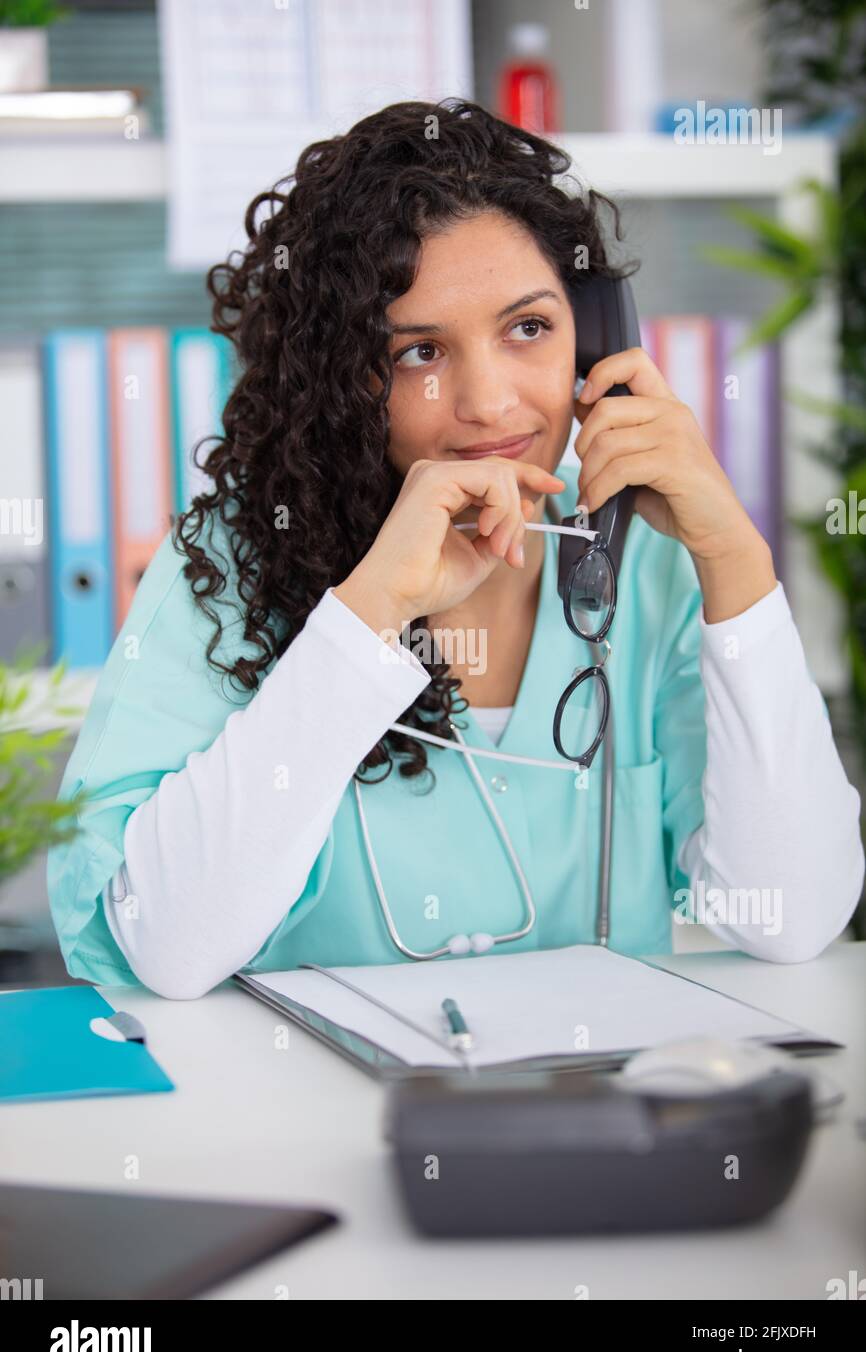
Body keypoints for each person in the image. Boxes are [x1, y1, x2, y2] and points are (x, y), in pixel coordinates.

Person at [47, 99, 864, 999]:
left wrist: (737, 565)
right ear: (342, 384)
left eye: (528, 329)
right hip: (305, 1126)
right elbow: (163, 949)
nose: (489, 402)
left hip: (593, 1117)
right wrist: (366, 620)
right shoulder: (230, 570)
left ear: (595, 344)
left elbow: (788, 919)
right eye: (420, 351)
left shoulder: (650, 565)